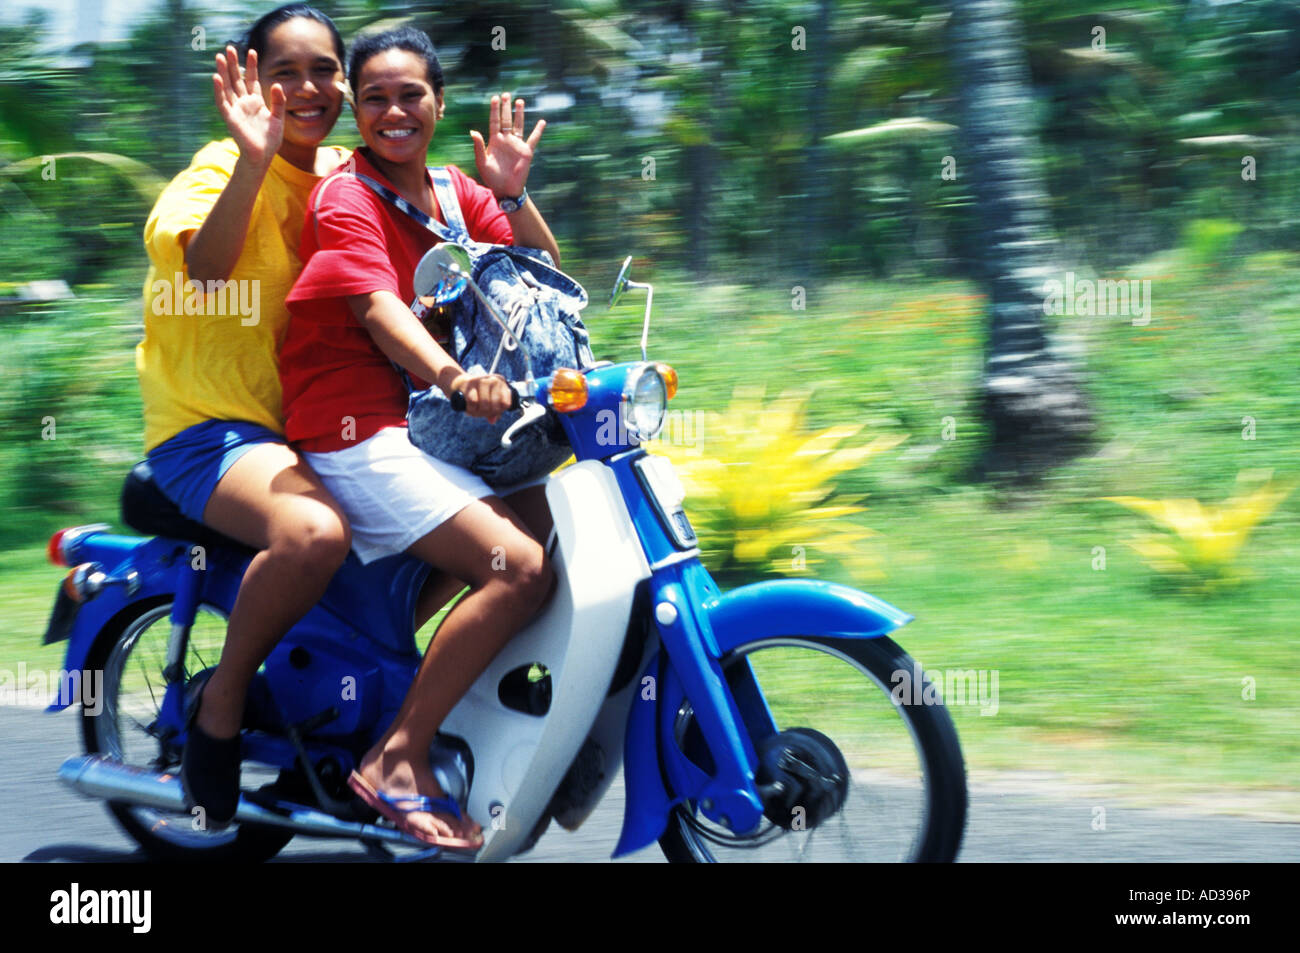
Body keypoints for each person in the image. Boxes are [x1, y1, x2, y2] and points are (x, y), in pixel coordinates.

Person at [279, 26, 559, 850]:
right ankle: (398, 756)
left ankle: (423, 692)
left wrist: (510, 195)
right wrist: (455, 376)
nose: (393, 111)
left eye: (411, 95)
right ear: (355, 111)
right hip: (355, 423)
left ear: (439, 103)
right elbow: (377, 307)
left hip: (429, 425)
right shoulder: (349, 197)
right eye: (374, 97)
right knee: (520, 566)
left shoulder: (458, 189)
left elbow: (544, 285)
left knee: (548, 520)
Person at [138, 4, 354, 825]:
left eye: (325, 69)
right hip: (208, 430)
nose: (308, 87)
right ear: (254, 84)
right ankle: (219, 712)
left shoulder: (347, 173)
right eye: (286, 72)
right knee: (314, 536)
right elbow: (204, 266)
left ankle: (341, 728)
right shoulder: (214, 170)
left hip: (312, 427)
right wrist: (255, 160)